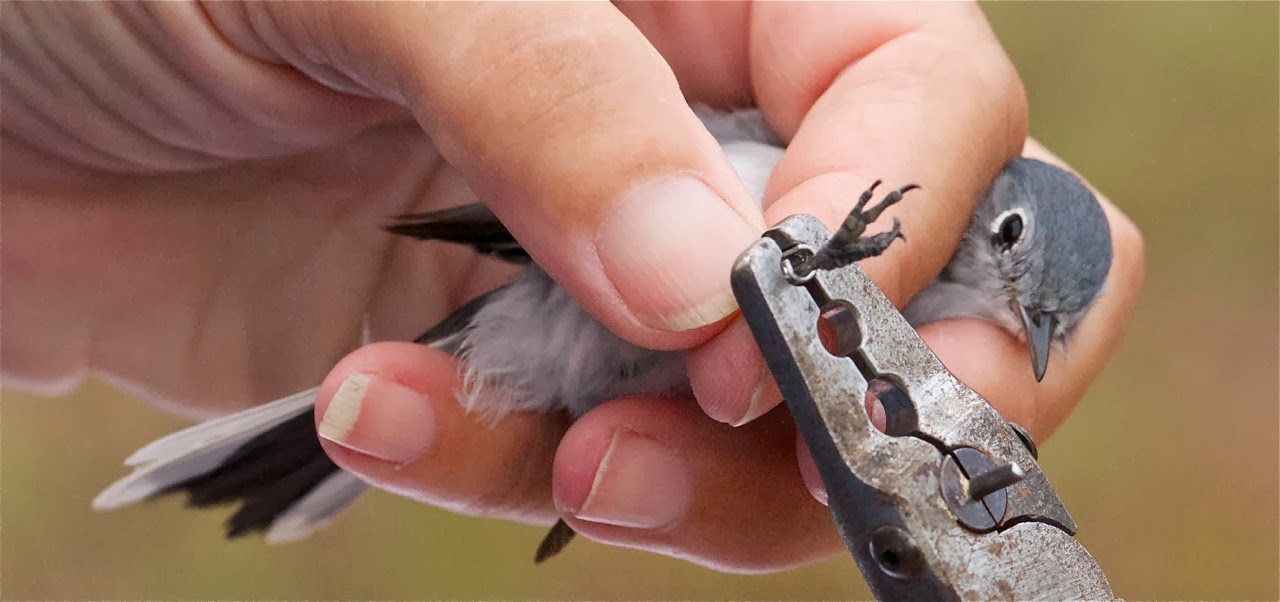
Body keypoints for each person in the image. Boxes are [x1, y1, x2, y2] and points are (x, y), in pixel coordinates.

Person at [0, 2, 1142, 572]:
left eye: (1040, 321)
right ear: (997, 208)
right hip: (553, 297)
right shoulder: (817, 149)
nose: (1013, 309)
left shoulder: (934, 332)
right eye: (1009, 251)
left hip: (596, 374)